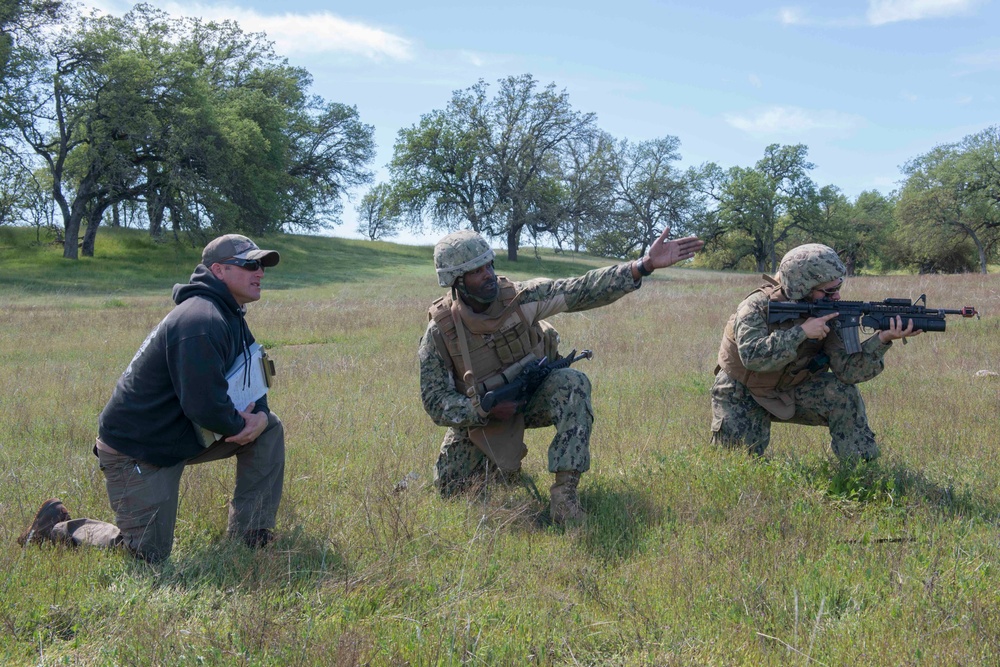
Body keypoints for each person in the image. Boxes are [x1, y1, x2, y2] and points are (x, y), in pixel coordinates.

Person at [18, 234, 286, 563]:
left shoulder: (230, 315)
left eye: (261, 265)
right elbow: (204, 406)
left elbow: (252, 372)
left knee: (269, 428)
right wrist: (240, 426)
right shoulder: (200, 321)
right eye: (249, 264)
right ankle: (56, 528)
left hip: (179, 436)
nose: (259, 272)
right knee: (146, 554)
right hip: (139, 452)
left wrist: (259, 415)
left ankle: (251, 536)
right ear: (218, 270)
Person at [419, 227, 704, 524]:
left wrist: (642, 266)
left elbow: (579, 289)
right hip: (481, 416)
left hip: (532, 397)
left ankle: (565, 498)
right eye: (477, 271)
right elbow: (435, 401)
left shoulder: (521, 299)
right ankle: (497, 469)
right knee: (451, 491)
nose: (488, 274)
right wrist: (481, 410)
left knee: (573, 384)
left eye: (489, 265)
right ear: (456, 282)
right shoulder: (440, 332)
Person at [710, 243, 921, 460]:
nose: (837, 296)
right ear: (802, 287)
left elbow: (848, 372)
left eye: (839, 288)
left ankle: (860, 469)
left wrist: (883, 339)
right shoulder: (756, 306)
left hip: (790, 387)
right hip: (742, 391)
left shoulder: (829, 310)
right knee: (736, 463)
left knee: (843, 393)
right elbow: (752, 357)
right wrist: (802, 332)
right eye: (829, 291)